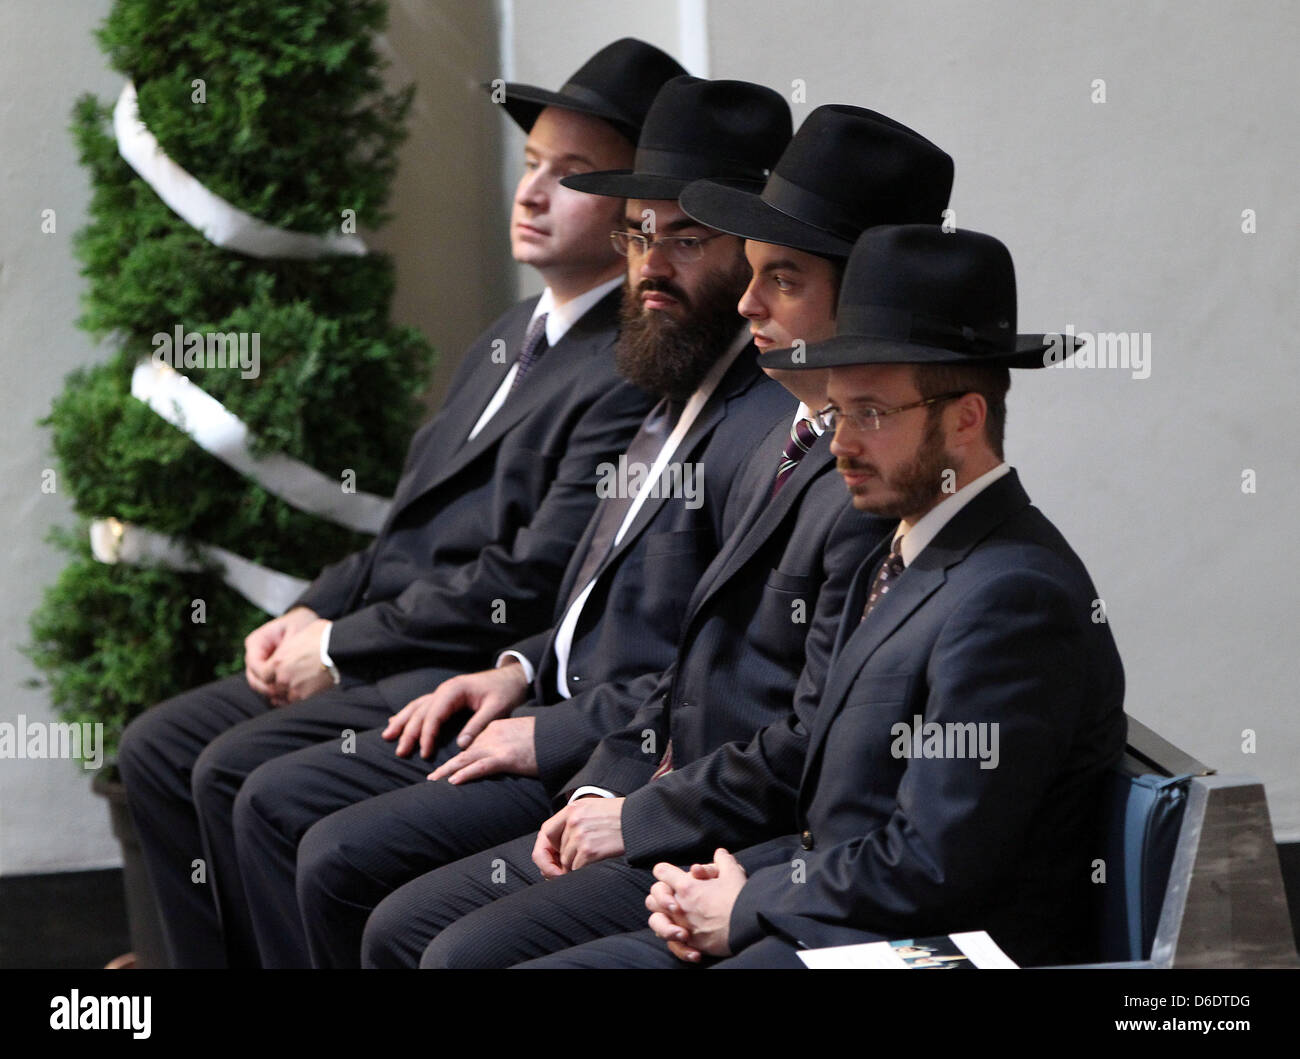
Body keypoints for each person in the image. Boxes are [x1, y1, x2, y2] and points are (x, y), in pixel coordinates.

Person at [116, 38, 686, 968]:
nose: (531, 192)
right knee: (155, 744)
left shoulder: (631, 366)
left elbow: (532, 572)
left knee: (240, 776)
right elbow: (407, 519)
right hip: (389, 633)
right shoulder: (514, 331)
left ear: (638, 210)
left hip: (451, 660)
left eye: (572, 175)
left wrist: (341, 646)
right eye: (531, 164)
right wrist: (313, 606)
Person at [359, 106, 960, 970]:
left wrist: (649, 820)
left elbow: (818, 750)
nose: (750, 302)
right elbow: (696, 665)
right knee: (406, 923)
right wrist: (609, 772)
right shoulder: (785, 438)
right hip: (672, 786)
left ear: (864, 293)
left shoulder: (870, 487)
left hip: (752, 838)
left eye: (781, 278)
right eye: (640, 233)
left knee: (442, 941)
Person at [230, 75, 795, 967]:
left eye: (686, 239)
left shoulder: (766, 426)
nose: (653, 265)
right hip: (541, 698)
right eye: (641, 234)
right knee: (283, 805)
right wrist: (516, 663)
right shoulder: (669, 369)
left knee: (333, 850)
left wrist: (556, 732)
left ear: (753, 256)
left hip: (615, 751)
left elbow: (705, 677)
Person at [522, 224, 1127, 968]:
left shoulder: (1014, 595)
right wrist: (739, 883)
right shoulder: (912, 553)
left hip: (941, 954)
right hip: (846, 912)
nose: (841, 443)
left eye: (872, 413)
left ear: (966, 418)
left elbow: (934, 866)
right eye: (839, 413)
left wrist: (749, 903)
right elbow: (843, 818)